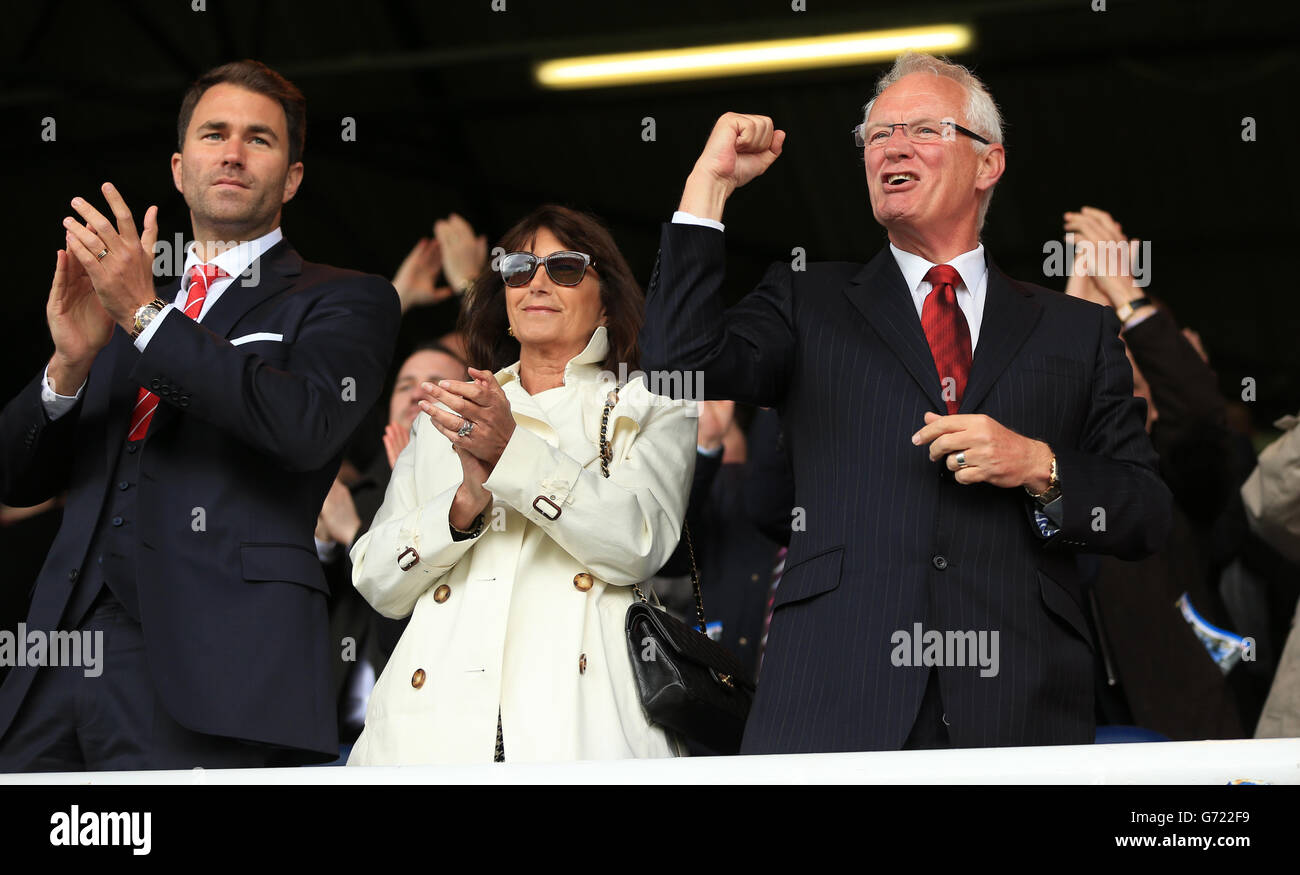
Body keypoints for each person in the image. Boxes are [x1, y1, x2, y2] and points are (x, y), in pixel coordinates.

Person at [640, 52, 1172, 753]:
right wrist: (708, 186)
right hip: (833, 696)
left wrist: (1039, 464)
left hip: (1017, 703)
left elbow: (1144, 509)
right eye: (876, 134)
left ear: (988, 163)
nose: (891, 145)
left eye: (922, 128)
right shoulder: (809, 301)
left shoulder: (1075, 330)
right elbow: (679, 361)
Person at [0, 60, 400, 771]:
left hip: (222, 667)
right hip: (57, 658)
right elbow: (16, 478)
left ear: (294, 177)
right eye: (214, 134)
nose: (234, 152)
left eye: (260, 139)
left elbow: (304, 426)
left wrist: (147, 316)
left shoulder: (348, 298)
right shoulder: (119, 307)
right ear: (181, 169)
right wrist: (66, 367)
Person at [348, 205, 695, 764]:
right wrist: (462, 507)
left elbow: (637, 546)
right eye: (518, 268)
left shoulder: (653, 405)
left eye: (564, 268)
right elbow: (376, 582)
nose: (536, 281)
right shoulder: (443, 414)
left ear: (606, 300)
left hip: (581, 727)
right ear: (504, 303)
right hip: (429, 733)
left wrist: (512, 455)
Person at [315, 342, 470, 743]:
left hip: (431, 730)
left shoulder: (480, 496)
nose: (418, 393)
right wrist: (323, 543)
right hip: (330, 740)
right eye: (405, 386)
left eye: (436, 383)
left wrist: (354, 536)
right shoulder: (348, 493)